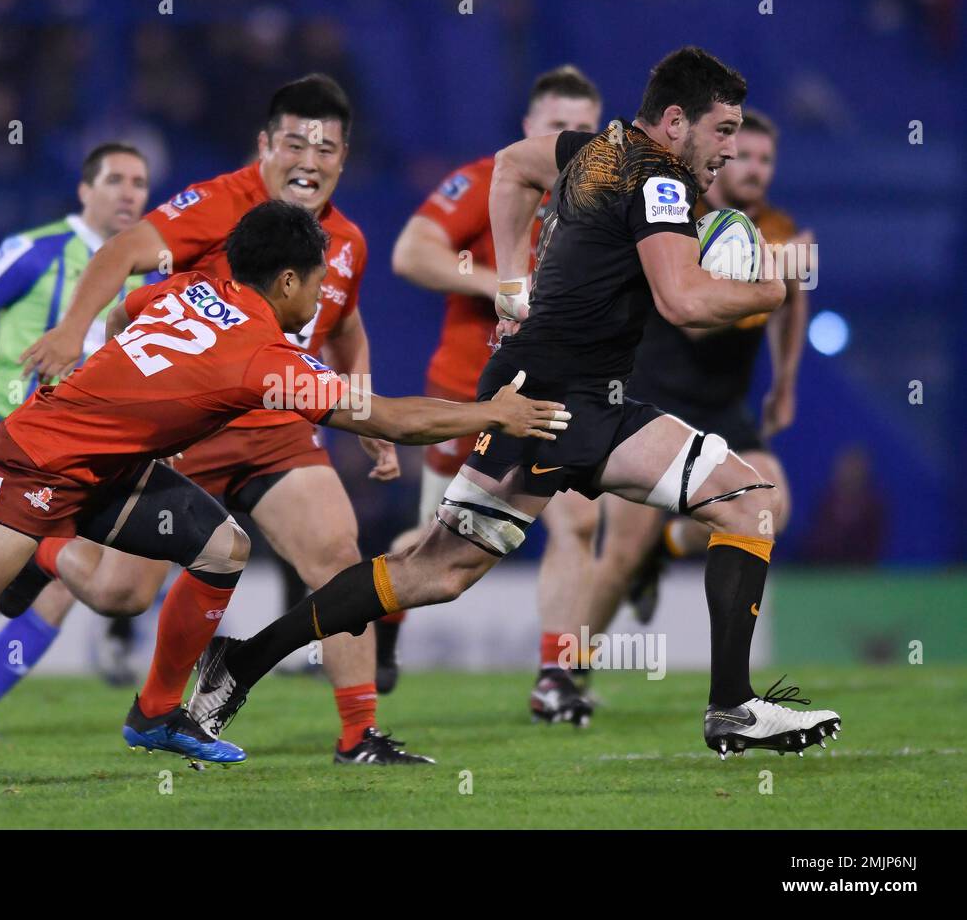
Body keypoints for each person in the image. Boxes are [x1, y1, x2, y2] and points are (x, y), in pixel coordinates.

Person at [0, 200, 569, 791]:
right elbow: (388, 415)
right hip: (34, 471)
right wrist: (491, 409)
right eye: (313, 283)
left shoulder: (194, 290)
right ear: (287, 284)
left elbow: (128, 322)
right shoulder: (263, 357)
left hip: (103, 467)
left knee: (223, 546)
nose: (318, 298)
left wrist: (125, 395)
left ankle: (158, 713)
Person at [187, 48, 842, 763]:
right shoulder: (661, 181)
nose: (728, 149)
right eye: (722, 131)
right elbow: (682, 301)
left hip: (575, 395)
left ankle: (240, 661)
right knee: (441, 569)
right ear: (677, 121)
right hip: (555, 404)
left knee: (446, 570)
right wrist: (769, 288)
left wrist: (509, 282)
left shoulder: (596, 148)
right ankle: (728, 704)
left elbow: (511, 166)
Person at [19, 75, 432, 764]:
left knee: (336, 554)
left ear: (344, 157)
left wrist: (364, 409)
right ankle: (45, 544)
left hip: (278, 429)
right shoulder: (218, 203)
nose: (310, 158)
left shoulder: (349, 241)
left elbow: (347, 326)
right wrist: (72, 331)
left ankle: (359, 735)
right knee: (121, 592)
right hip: (193, 424)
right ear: (264, 145)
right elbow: (122, 255)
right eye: (295, 142)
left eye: (326, 147)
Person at [387, 65, 603, 719]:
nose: (572, 139)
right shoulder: (487, 178)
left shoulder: (607, 194)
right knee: (437, 550)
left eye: (586, 130)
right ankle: (370, 617)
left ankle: (557, 676)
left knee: (578, 518)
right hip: (470, 392)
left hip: (563, 392)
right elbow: (411, 251)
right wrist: (500, 285)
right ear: (530, 130)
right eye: (560, 127)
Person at [0, 142, 154, 741]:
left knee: (68, 589)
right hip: (8, 450)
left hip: (81, 458)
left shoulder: (152, 269)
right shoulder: (38, 250)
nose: (129, 192)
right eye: (115, 179)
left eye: (139, 182)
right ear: (84, 190)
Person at [579, 109, 814, 649]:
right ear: (721, 157)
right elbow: (700, 323)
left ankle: (673, 542)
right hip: (654, 401)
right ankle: (565, 670)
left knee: (769, 507)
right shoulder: (679, 217)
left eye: (765, 159)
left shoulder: (776, 228)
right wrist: (776, 267)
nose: (752, 167)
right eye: (741, 154)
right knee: (620, 557)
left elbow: (795, 299)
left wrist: (786, 382)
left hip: (726, 407)